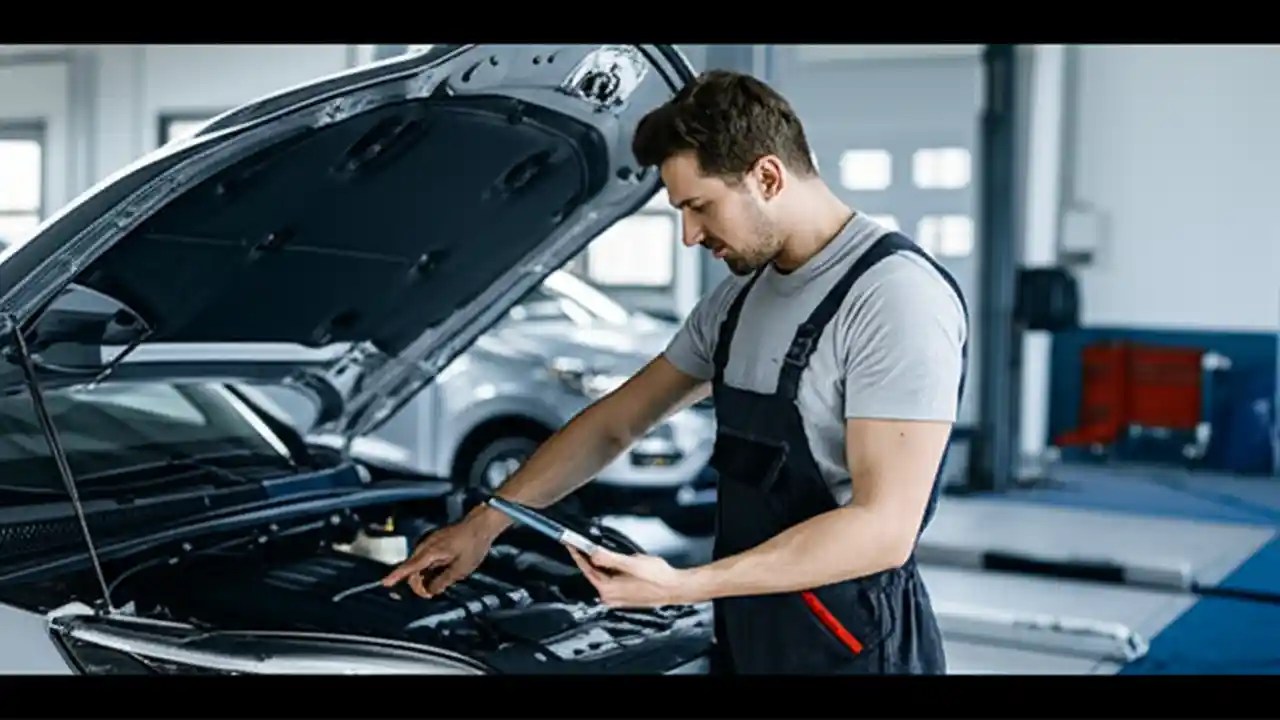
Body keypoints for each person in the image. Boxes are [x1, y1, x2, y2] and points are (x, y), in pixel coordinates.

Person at [382, 69, 969, 675]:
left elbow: (884, 527)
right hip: (749, 631)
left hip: (854, 647)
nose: (690, 235)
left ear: (767, 177)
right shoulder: (737, 301)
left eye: (699, 206)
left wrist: (682, 585)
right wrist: (486, 525)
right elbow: (614, 424)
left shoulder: (894, 297)